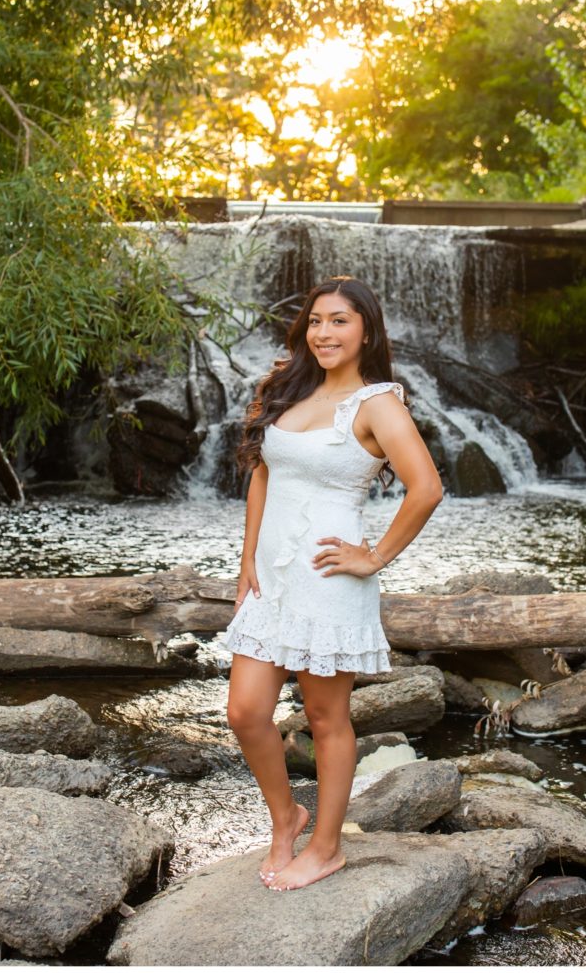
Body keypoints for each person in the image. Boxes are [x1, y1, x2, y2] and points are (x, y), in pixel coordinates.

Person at [224, 275, 444, 891]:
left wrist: (373, 558)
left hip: (328, 578)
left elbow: (426, 490)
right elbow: (263, 476)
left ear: (366, 330)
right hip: (272, 575)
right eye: (316, 320)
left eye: (340, 320)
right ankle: (285, 816)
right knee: (245, 711)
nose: (324, 332)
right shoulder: (285, 390)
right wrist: (247, 561)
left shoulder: (378, 404)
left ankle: (325, 847)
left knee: (325, 717)